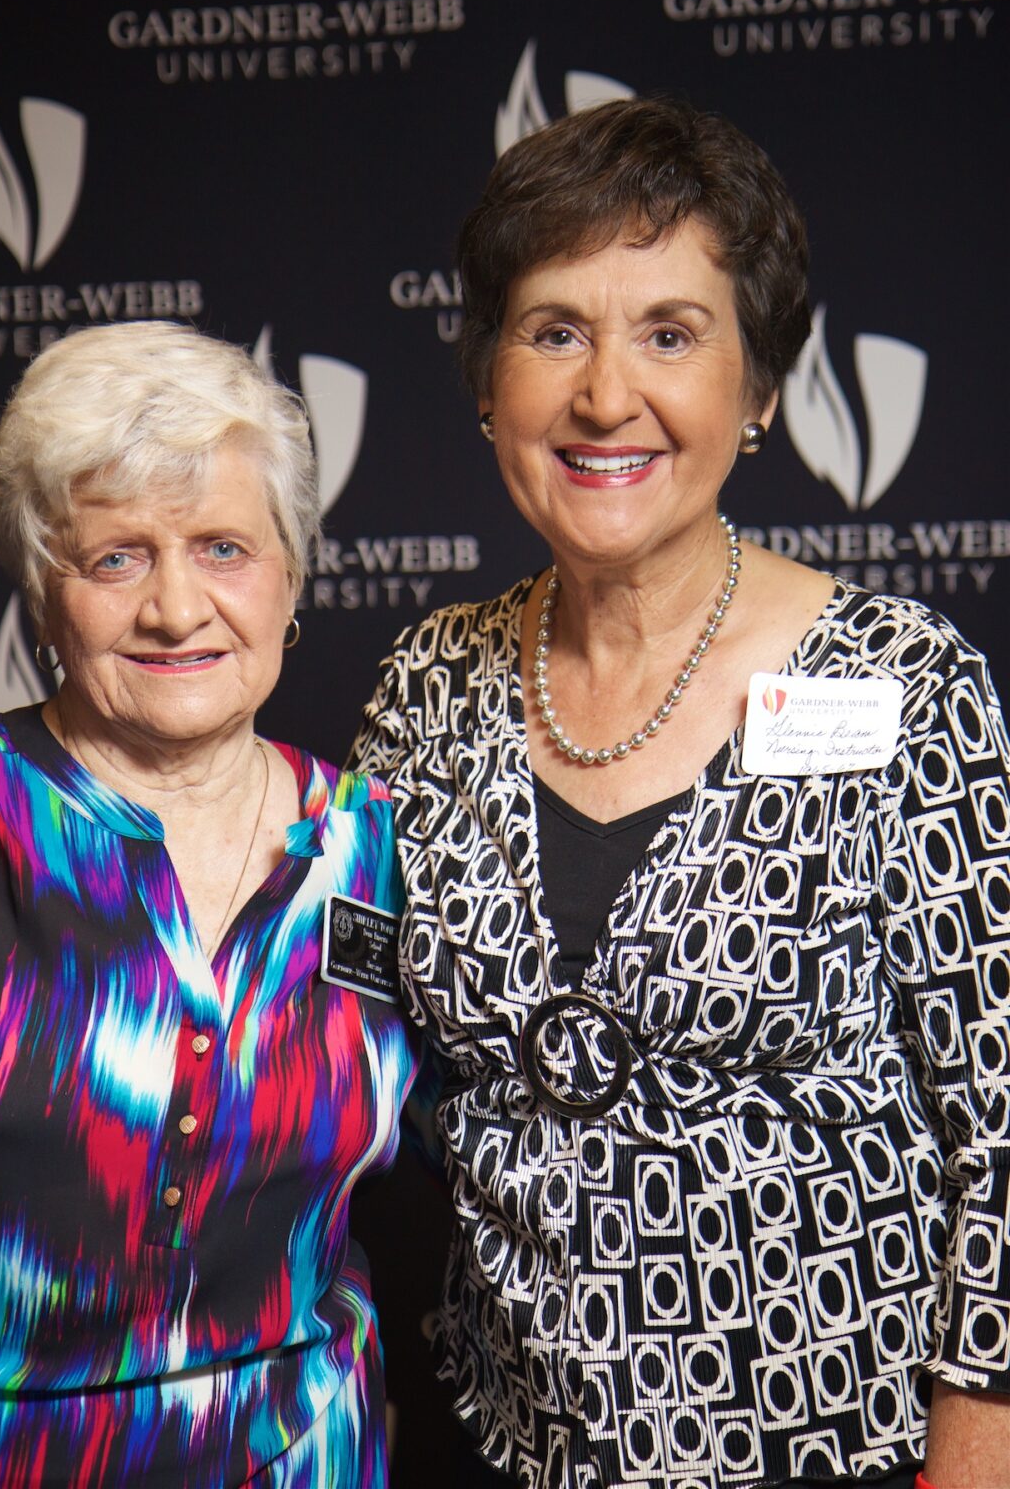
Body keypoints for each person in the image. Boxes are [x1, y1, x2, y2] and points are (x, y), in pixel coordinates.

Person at [350, 99, 1010, 1489]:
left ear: (761, 388)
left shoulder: (901, 682)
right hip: (497, 1440)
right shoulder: (427, 684)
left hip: (844, 1454)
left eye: (670, 332)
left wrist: (979, 1451)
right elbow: (328, 1043)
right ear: (486, 383)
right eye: (553, 332)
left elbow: (999, 1122)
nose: (604, 397)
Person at [0, 321, 418, 1487]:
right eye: (116, 557)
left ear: (290, 573)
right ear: (43, 592)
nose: (179, 609)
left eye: (223, 546)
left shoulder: (374, 842)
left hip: (308, 1455)